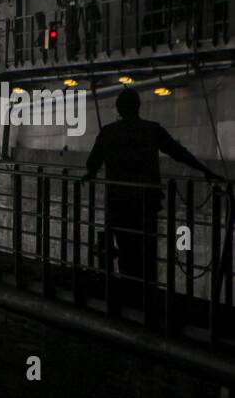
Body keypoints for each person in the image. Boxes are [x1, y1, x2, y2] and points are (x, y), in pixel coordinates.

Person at [83, 88, 221, 286]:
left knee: (126, 250)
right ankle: (147, 292)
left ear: (118, 109)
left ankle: (129, 289)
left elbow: (92, 163)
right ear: (138, 107)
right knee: (146, 249)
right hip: (146, 203)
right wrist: (205, 170)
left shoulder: (108, 132)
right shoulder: (152, 130)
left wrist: (91, 173)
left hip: (118, 204)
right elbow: (178, 153)